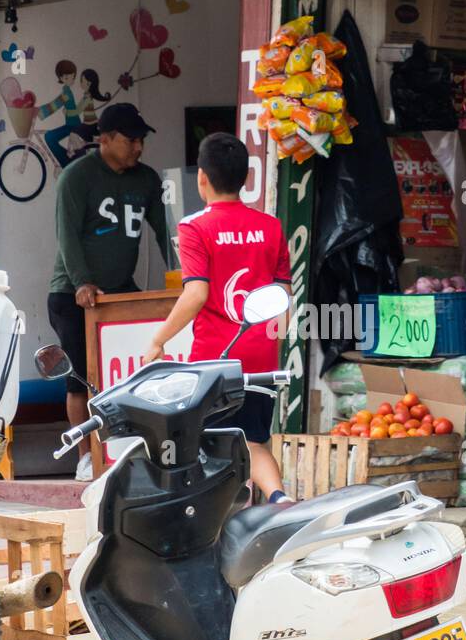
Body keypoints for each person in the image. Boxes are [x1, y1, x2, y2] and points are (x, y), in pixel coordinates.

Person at [144, 133, 292, 503]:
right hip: (261, 356)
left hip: (216, 359)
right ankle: (277, 499)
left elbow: (196, 293)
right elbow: (283, 302)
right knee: (252, 439)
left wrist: (159, 339)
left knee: (208, 442)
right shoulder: (271, 227)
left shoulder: (195, 228)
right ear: (245, 179)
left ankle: (221, 517)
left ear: (202, 178)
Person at [47, 102, 169, 481]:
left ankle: (127, 449)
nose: (138, 148)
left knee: (133, 372)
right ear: (106, 139)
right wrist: (82, 281)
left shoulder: (147, 180)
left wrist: (185, 272)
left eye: (140, 140)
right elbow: (66, 235)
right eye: (130, 140)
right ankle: (85, 455)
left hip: (120, 293)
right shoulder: (76, 177)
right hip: (72, 295)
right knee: (81, 377)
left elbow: (166, 231)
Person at [40, 59, 81, 169]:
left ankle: (67, 162)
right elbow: (58, 104)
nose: (70, 79)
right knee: (50, 136)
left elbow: (56, 104)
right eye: (66, 77)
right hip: (72, 124)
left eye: (72, 76)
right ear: (61, 79)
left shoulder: (66, 92)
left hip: (73, 125)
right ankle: (68, 160)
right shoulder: (66, 90)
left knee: (49, 137)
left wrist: (40, 112)